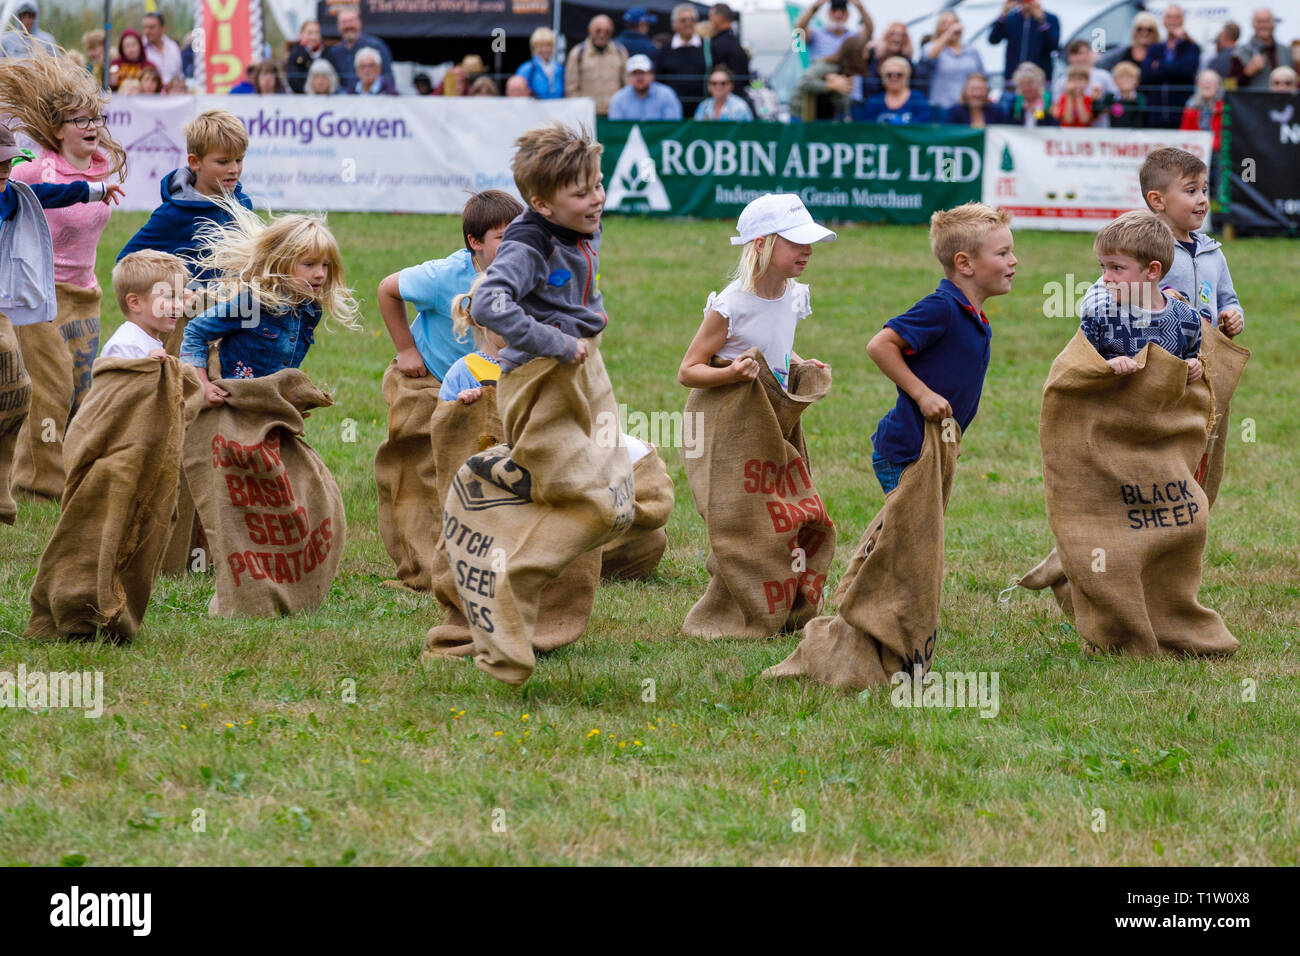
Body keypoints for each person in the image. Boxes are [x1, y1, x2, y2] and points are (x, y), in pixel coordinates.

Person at [1, 45, 127, 437]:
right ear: (57, 130)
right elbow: (28, 198)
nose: (93, 126)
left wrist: (97, 190)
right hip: (40, 290)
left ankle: (68, 458)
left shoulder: (101, 169)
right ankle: (39, 480)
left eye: (96, 118)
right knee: (51, 386)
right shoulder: (34, 172)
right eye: (80, 120)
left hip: (85, 293)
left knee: (81, 390)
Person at [866, 203, 1015, 494]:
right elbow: (880, 345)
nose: (1014, 260)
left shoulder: (972, 315)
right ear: (965, 264)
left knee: (918, 533)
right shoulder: (942, 308)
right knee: (911, 534)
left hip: (934, 451)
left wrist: (949, 439)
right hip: (906, 452)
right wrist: (923, 395)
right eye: (1002, 253)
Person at [180, 201, 359, 404]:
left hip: (270, 404)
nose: (320, 274)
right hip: (233, 402)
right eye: (309, 264)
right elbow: (195, 332)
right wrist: (202, 384)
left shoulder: (310, 310)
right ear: (280, 263)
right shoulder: (252, 303)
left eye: (325, 265)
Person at [679, 193, 833, 394]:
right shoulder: (730, 306)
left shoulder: (795, 296)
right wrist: (732, 373)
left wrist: (800, 364)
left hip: (772, 414)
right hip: (733, 418)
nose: (809, 251)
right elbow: (687, 371)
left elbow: (771, 342)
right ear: (761, 245)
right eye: (796, 243)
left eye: (809, 242)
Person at [377, 190, 523, 382]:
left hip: (487, 380)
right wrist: (406, 350)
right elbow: (386, 288)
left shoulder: (528, 273)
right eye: (503, 237)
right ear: (475, 242)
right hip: (429, 376)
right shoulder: (443, 276)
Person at [117, 109, 253, 283]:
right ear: (195, 162)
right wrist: (177, 291)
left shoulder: (243, 204)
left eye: (239, 160)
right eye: (223, 161)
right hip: (193, 309)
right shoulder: (172, 215)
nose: (234, 169)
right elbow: (125, 263)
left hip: (240, 309)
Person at [1079, 211, 1202, 384]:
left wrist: (1193, 367)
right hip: (1112, 409)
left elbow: (1192, 358)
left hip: (1166, 410)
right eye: (1103, 267)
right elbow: (1078, 367)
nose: (1105, 277)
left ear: (1152, 270)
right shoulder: (1099, 314)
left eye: (1117, 268)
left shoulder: (1188, 318)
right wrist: (1106, 366)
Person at [1140, 147, 1243, 335]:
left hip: (1206, 358)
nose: (1203, 199)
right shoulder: (1142, 250)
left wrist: (1233, 315)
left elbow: (1228, 300)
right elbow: (1121, 298)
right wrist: (1158, 301)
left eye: (1204, 190)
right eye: (1191, 191)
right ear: (1157, 200)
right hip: (1160, 357)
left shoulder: (1212, 252)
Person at [102, 251, 189, 359]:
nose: (178, 306)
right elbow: (120, 376)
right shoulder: (124, 346)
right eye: (169, 297)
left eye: (181, 297)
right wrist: (147, 364)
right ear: (135, 303)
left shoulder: (149, 340)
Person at [440, 276, 505, 404]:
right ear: (480, 320)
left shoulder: (535, 364)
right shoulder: (465, 370)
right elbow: (442, 419)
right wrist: (460, 405)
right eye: (506, 320)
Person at [1140, 5, 1201, 128]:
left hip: (1182, 115)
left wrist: (1160, 66)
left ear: (1182, 20)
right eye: (1169, 17)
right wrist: (1174, 68)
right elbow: (1146, 74)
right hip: (1156, 115)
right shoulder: (1155, 48)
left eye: (1176, 17)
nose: (1172, 21)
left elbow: (1187, 70)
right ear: (1163, 21)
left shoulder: (1191, 47)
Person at [916, 11, 984, 112]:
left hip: (967, 107)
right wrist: (948, 34)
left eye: (954, 23)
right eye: (945, 24)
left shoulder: (972, 50)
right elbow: (929, 57)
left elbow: (982, 75)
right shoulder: (930, 47)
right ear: (938, 28)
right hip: (941, 107)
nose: (951, 27)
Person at [796, 32, 869, 122]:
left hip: (824, 117)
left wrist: (845, 90)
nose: (867, 56)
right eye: (864, 51)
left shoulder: (846, 71)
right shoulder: (829, 66)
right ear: (855, 53)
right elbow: (804, 82)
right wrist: (830, 85)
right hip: (801, 116)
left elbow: (839, 103)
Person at [565, 15, 628, 116]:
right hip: (587, 114)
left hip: (614, 114)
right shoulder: (577, 53)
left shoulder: (620, 52)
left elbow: (627, 84)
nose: (602, 34)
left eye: (607, 31)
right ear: (590, 30)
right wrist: (578, 109)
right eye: (598, 30)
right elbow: (571, 88)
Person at [988, 0, 1059, 83]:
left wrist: (1041, 21)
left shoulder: (1050, 19)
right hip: (1013, 77)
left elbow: (1053, 46)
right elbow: (993, 39)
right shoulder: (1011, 18)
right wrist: (1003, 14)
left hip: (1040, 79)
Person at [1051, 39, 1117, 127]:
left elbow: (1115, 102)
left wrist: (1099, 103)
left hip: (1100, 131)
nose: (1079, 58)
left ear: (1090, 54)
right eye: (1075, 54)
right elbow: (1056, 108)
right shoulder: (1062, 81)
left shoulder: (1103, 76)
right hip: (1070, 133)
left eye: (1082, 53)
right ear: (1069, 57)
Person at [325, 5, 393, 90]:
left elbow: (388, 78)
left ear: (359, 23)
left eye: (351, 21)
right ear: (338, 26)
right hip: (342, 100)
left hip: (374, 99)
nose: (348, 26)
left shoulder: (376, 46)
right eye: (344, 22)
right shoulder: (334, 52)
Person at [658, 4, 709, 114]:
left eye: (692, 20)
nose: (688, 23)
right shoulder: (665, 49)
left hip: (702, 110)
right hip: (671, 110)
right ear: (674, 24)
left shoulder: (707, 47)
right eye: (683, 20)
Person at [608, 54, 683, 121]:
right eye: (635, 74)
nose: (639, 78)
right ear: (628, 77)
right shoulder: (618, 99)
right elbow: (616, 129)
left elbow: (673, 125)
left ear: (652, 75)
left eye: (643, 73)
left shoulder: (667, 95)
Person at [1232, 8, 1292, 89]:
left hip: (1284, 101)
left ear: (1273, 24)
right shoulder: (1239, 53)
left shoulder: (1287, 52)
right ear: (1253, 25)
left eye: (1267, 21)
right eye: (1259, 22)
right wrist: (1247, 72)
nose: (1263, 25)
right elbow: (1229, 86)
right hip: (1253, 101)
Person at [795, 0, 870, 62]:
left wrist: (860, 7)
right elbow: (799, 31)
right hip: (822, 78)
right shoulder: (816, 34)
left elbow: (869, 31)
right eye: (834, 10)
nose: (838, 15)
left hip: (848, 77)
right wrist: (815, 7)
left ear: (848, 15)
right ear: (828, 13)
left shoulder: (854, 36)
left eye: (843, 11)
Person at [861, 56, 930, 124]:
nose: (894, 78)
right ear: (883, 77)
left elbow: (922, 126)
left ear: (907, 76)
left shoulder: (918, 99)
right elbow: (868, 127)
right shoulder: (875, 100)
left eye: (899, 74)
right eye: (889, 75)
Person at [707, 4, 751, 91]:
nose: (709, 20)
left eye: (711, 16)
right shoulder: (733, 41)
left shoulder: (719, 44)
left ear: (720, 17)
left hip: (726, 96)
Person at [1000, 61, 1057, 126]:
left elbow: (1045, 124)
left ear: (1038, 84)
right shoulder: (1015, 103)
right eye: (1023, 85)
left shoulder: (1047, 100)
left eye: (1029, 84)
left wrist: (1036, 110)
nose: (1027, 88)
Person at [515, 27, 564, 99]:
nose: (545, 49)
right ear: (534, 48)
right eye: (540, 46)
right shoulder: (526, 70)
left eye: (548, 45)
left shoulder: (560, 70)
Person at [1181, 70, 1224, 151]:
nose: (1206, 83)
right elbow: (1185, 132)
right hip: (1196, 150)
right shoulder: (1191, 105)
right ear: (1198, 85)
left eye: (1210, 81)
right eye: (1203, 81)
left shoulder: (1224, 106)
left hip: (1218, 151)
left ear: (1218, 86)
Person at [1100, 61, 1148, 128]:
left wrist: (1131, 100)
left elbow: (1142, 110)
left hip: (1136, 135)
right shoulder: (1110, 97)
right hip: (1114, 134)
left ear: (1137, 81)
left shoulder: (1140, 97)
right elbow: (1099, 110)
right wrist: (1096, 98)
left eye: (1130, 77)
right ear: (1115, 81)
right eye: (1121, 77)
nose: (1125, 80)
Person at [142, 11, 182, 86]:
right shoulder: (140, 49)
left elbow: (179, 74)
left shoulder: (173, 47)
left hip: (172, 96)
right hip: (148, 96)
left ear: (162, 28)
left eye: (151, 27)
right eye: (145, 27)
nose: (147, 31)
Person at [286, 19, 324, 94]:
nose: (313, 37)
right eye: (309, 33)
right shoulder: (295, 54)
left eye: (317, 33)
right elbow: (293, 79)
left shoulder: (326, 52)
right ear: (301, 34)